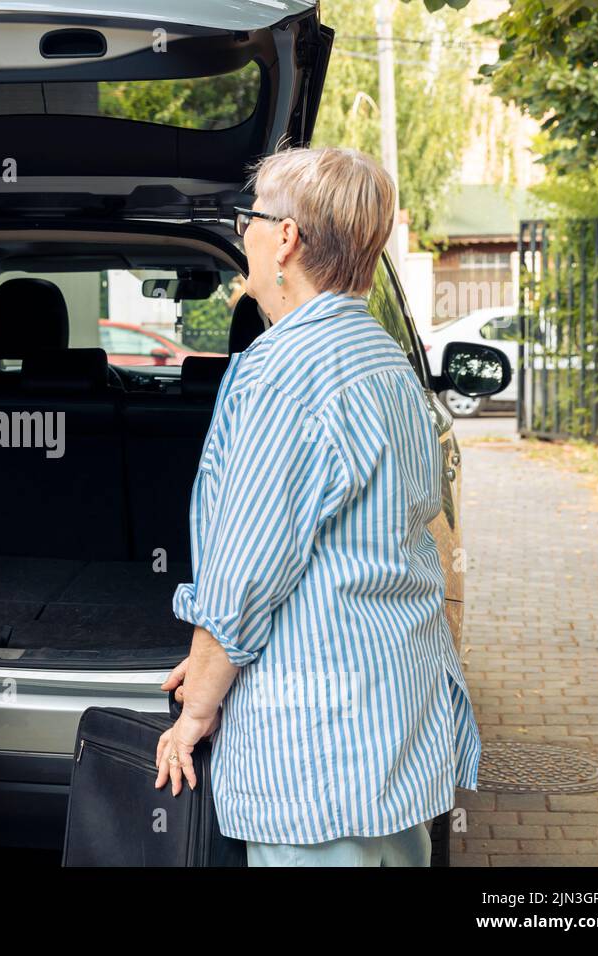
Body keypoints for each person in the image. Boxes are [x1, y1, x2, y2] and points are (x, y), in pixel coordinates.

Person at [154, 146, 481, 866]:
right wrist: (206, 661)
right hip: (393, 722)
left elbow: (244, 577)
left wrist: (197, 711)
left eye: (250, 219)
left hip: (316, 760)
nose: (243, 232)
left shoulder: (283, 375)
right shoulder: (383, 361)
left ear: (287, 238)